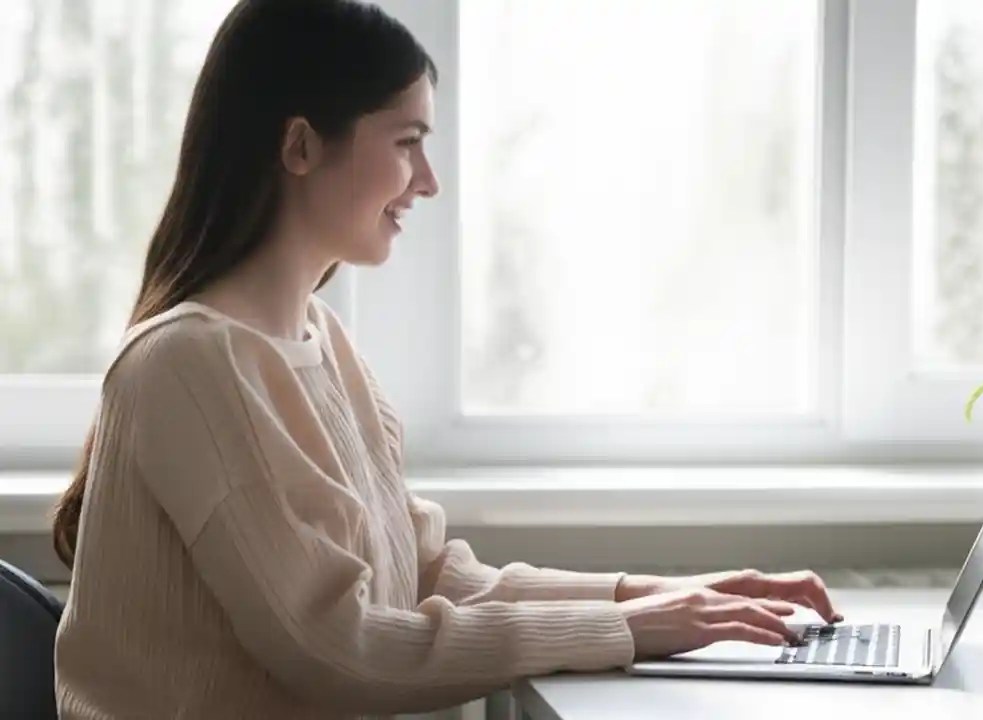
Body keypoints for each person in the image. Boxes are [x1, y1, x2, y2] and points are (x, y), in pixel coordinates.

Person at [49, 1, 841, 717]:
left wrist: (668, 597)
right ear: (299, 145)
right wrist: (623, 628)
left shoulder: (320, 342)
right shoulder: (184, 365)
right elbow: (338, 648)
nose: (427, 181)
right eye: (407, 143)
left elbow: (425, 575)